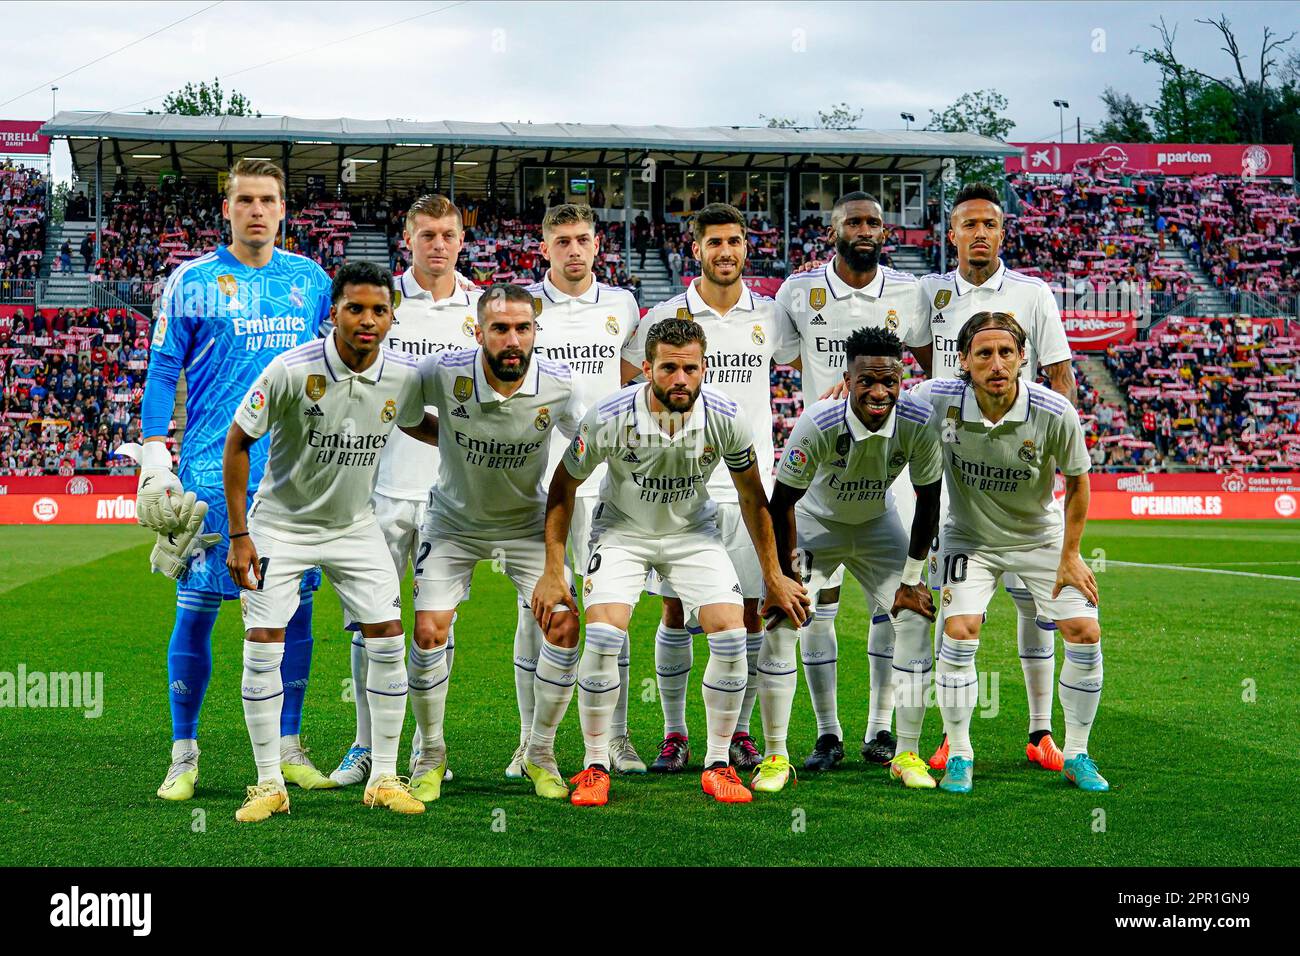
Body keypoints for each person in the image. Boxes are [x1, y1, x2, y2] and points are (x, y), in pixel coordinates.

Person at [532, 317, 810, 805]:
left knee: (729, 635)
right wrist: (554, 568)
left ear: (705, 369)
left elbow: (753, 498)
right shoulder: (609, 415)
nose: (679, 379)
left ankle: (718, 763)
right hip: (622, 532)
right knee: (601, 635)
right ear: (646, 368)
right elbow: (563, 486)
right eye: (667, 369)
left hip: (692, 533)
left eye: (690, 369)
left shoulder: (725, 417)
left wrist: (773, 575)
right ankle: (595, 765)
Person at [130, 159, 334, 802]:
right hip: (212, 474)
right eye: (244, 199)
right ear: (227, 208)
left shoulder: (312, 281)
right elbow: (164, 369)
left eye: (267, 200)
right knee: (196, 610)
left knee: (293, 611)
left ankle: (290, 747)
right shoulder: (191, 282)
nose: (255, 210)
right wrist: (154, 451)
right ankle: (183, 754)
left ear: (283, 209)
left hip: (294, 472)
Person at [223, 260, 435, 821]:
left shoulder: (403, 376)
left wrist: (487, 430)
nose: (368, 320)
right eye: (356, 309)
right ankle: (268, 783)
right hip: (279, 527)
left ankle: (385, 776)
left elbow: (420, 423)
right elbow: (238, 443)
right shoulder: (291, 370)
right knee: (263, 644)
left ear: (393, 315)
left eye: (379, 310)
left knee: (389, 638)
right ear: (333, 313)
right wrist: (241, 534)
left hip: (354, 526)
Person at [627, 203, 799, 775]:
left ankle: (740, 732)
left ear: (747, 246)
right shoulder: (668, 315)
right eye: (714, 242)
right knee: (676, 611)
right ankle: (675, 733)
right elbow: (633, 378)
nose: (725, 251)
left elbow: (812, 364)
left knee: (749, 612)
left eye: (735, 241)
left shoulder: (771, 315)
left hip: (750, 486)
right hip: (680, 489)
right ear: (694, 248)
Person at [910, 311, 1107, 793]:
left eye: (1005, 353)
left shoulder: (1053, 410)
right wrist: (841, 388)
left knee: (1084, 630)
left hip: (1040, 538)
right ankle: (959, 753)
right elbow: (886, 398)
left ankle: (1077, 753)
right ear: (963, 361)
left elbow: (1079, 484)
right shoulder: (936, 399)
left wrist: (1071, 555)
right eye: (984, 354)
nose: (996, 363)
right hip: (969, 539)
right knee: (959, 631)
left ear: (1023, 358)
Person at [916, 181, 1076, 774]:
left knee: (1038, 610)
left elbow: (1059, 374)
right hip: (959, 471)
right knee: (956, 614)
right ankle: (950, 735)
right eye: (969, 224)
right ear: (952, 234)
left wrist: (1059, 453)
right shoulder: (929, 294)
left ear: (1003, 232)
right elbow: (903, 361)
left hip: (1025, 470)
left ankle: (1040, 730)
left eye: (990, 224)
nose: (980, 233)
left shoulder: (1033, 294)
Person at [327, 194, 482, 788]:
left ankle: (425, 748)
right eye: (427, 235)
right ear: (408, 239)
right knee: (373, 625)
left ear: (461, 240)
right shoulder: (381, 304)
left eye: (448, 235)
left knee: (436, 628)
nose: (438, 245)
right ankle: (365, 746)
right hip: (382, 490)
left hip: (454, 494)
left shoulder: (481, 307)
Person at [775, 191, 932, 770]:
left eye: (874, 222)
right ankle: (826, 734)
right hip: (823, 462)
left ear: (884, 232)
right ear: (833, 229)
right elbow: (788, 360)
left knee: (892, 607)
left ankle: (881, 730)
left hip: (885, 471)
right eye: (854, 221)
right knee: (816, 606)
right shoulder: (797, 292)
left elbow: (925, 362)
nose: (865, 230)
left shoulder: (908, 292)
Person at [410, 284, 584, 801]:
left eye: (523, 328)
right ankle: (430, 753)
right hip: (453, 524)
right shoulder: (441, 373)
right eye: (501, 328)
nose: (513, 339)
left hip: (525, 525)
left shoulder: (559, 387)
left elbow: (577, 461)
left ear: (535, 331)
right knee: (428, 632)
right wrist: (451, 438)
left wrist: (557, 562)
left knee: (565, 623)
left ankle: (541, 752)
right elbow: (402, 415)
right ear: (478, 331)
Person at [757, 326, 942, 792]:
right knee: (783, 618)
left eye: (889, 381)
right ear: (848, 378)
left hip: (879, 524)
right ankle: (776, 757)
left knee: (917, 617)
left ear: (902, 378)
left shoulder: (919, 421)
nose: (879, 392)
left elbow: (929, 500)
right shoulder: (819, 422)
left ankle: (908, 753)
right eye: (866, 381)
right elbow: (781, 503)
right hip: (819, 525)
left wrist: (913, 578)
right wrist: (785, 576)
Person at [513, 203, 644, 777]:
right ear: (544, 247)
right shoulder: (524, 307)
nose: (573, 249)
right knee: (534, 608)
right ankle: (528, 741)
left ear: (597, 245)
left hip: (613, 483)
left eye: (582, 239)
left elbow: (636, 372)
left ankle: (615, 737)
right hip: (542, 483)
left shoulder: (622, 305)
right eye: (561, 240)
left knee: (613, 611)